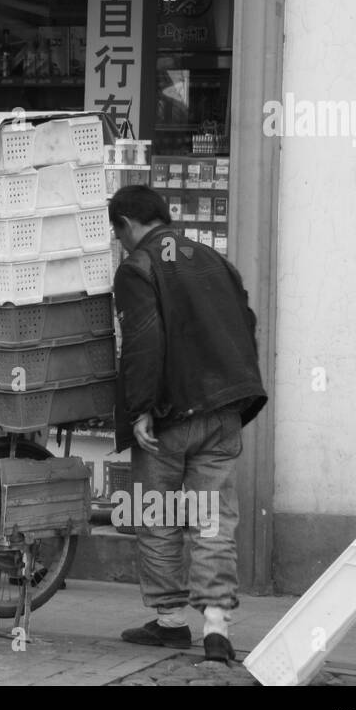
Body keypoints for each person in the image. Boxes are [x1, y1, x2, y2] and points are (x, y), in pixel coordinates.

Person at [108, 184, 267, 664]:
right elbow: (248, 324)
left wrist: (140, 407)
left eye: (119, 234)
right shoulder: (215, 260)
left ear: (128, 226)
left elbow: (142, 340)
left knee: (157, 515)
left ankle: (172, 623)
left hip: (168, 417)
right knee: (213, 520)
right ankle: (217, 628)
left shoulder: (138, 267)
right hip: (223, 412)